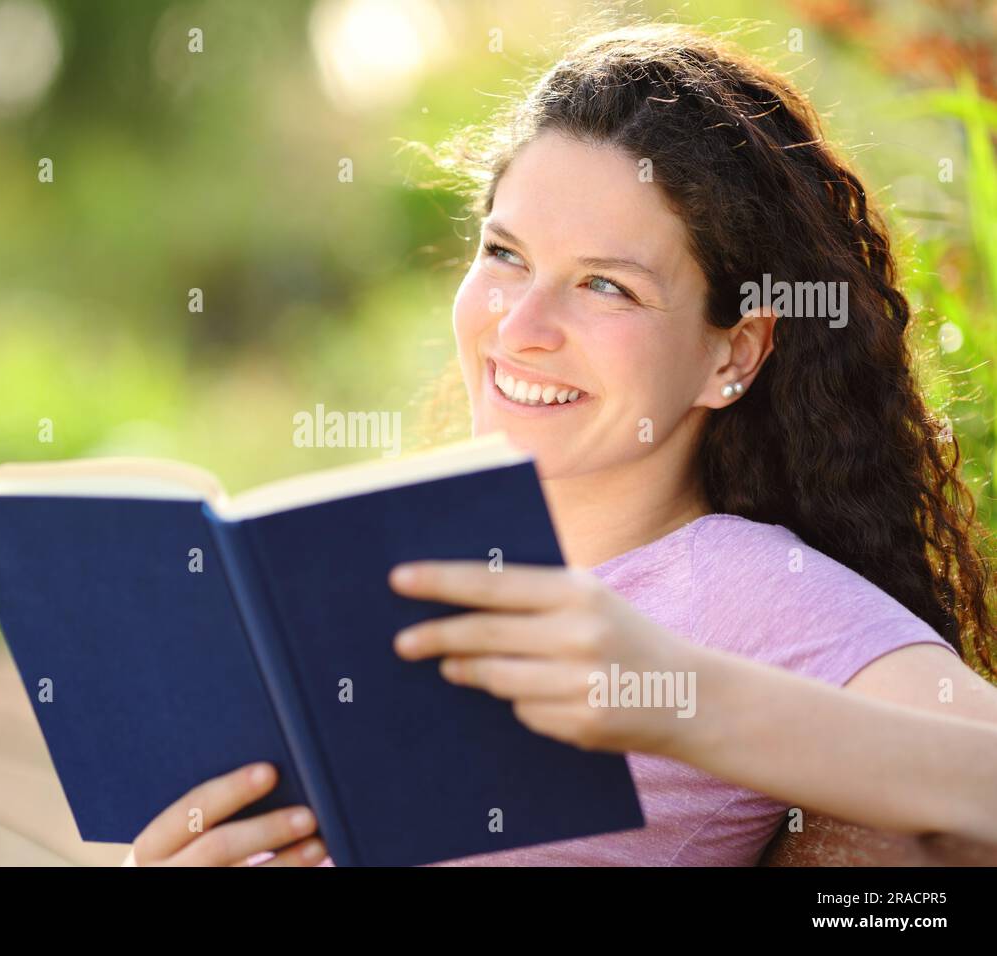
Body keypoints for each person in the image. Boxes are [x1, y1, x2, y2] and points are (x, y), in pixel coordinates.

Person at [127, 22, 997, 867]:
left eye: (605, 285)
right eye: (504, 254)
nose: (524, 326)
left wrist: (672, 695)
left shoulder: (745, 590)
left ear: (731, 353)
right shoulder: (387, 558)